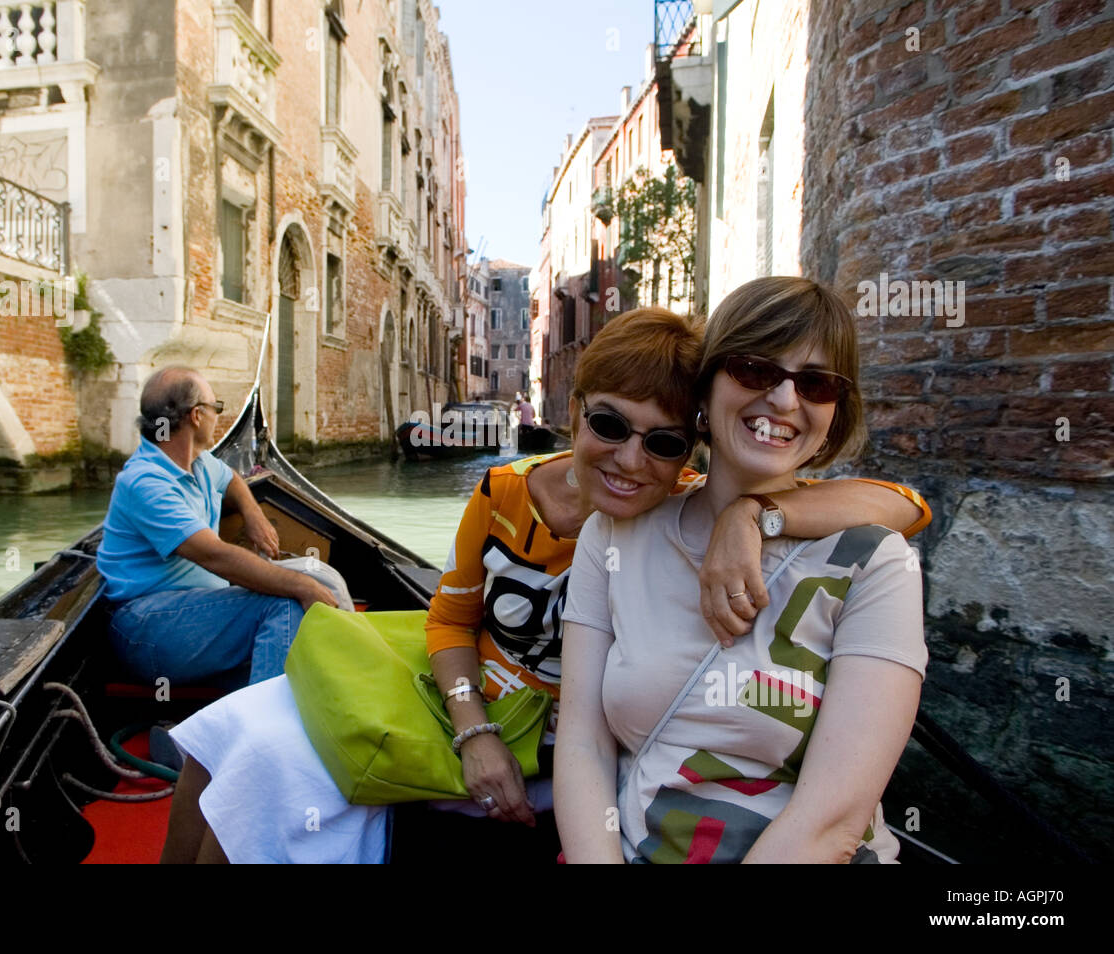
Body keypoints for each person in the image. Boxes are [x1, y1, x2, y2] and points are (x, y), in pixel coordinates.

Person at [160, 308, 928, 862]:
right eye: (608, 427)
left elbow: (904, 506)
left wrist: (754, 513)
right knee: (228, 732)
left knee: (268, 757)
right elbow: (451, 621)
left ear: (688, 444)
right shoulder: (508, 491)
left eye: (660, 441)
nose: (631, 460)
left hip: (552, 729)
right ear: (571, 415)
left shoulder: (685, 499)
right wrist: (474, 729)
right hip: (473, 697)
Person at [555, 277, 927, 864]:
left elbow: (831, 820)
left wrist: (753, 515)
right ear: (705, 388)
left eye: (817, 383)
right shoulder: (613, 535)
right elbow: (583, 745)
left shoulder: (876, 563)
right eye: (755, 369)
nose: (783, 401)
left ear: (835, 410)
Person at [97, 366, 338, 692]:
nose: (219, 417)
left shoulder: (200, 462)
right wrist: (300, 586)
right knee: (286, 601)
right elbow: (214, 555)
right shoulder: (144, 481)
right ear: (197, 416)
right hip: (146, 628)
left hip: (201, 609)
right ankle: (260, 732)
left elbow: (233, 480)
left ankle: (329, 683)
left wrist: (253, 513)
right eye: (217, 408)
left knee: (322, 579)